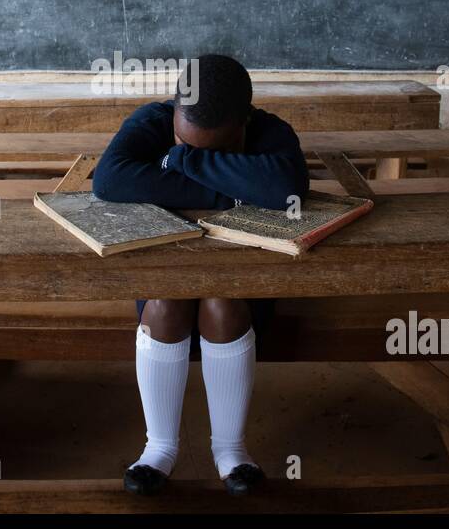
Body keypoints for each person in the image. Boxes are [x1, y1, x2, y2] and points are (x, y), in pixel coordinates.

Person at [92, 54, 309, 496]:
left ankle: (231, 451)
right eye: (183, 141)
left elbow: (287, 190)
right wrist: (230, 189)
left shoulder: (271, 131)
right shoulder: (151, 120)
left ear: (245, 122)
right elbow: (109, 181)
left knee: (222, 300)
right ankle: (160, 449)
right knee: (167, 297)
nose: (192, 151)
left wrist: (181, 161)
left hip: (245, 293)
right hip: (167, 288)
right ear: (174, 112)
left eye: (216, 152)